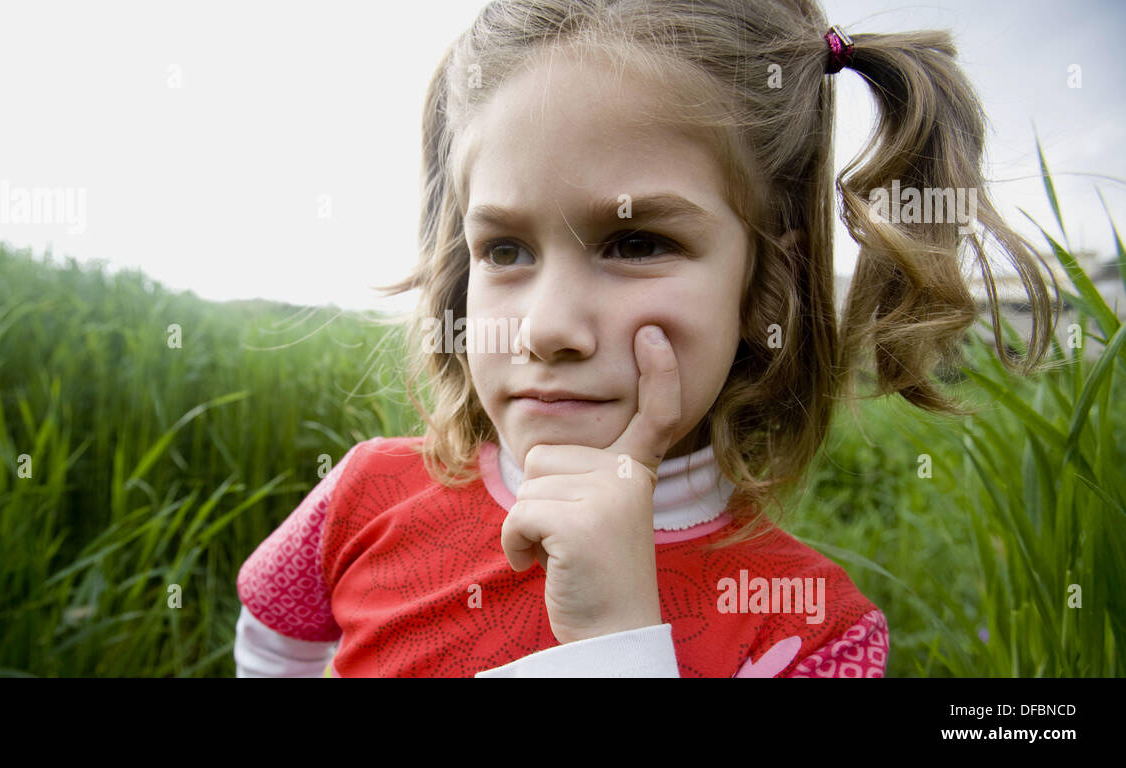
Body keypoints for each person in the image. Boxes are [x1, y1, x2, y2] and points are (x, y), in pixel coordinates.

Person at [235, 0, 1056, 677]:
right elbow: (275, 644)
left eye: (636, 244)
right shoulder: (365, 498)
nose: (549, 327)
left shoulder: (808, 629)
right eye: (505, 250)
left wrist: (614, 644)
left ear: (766, 280)